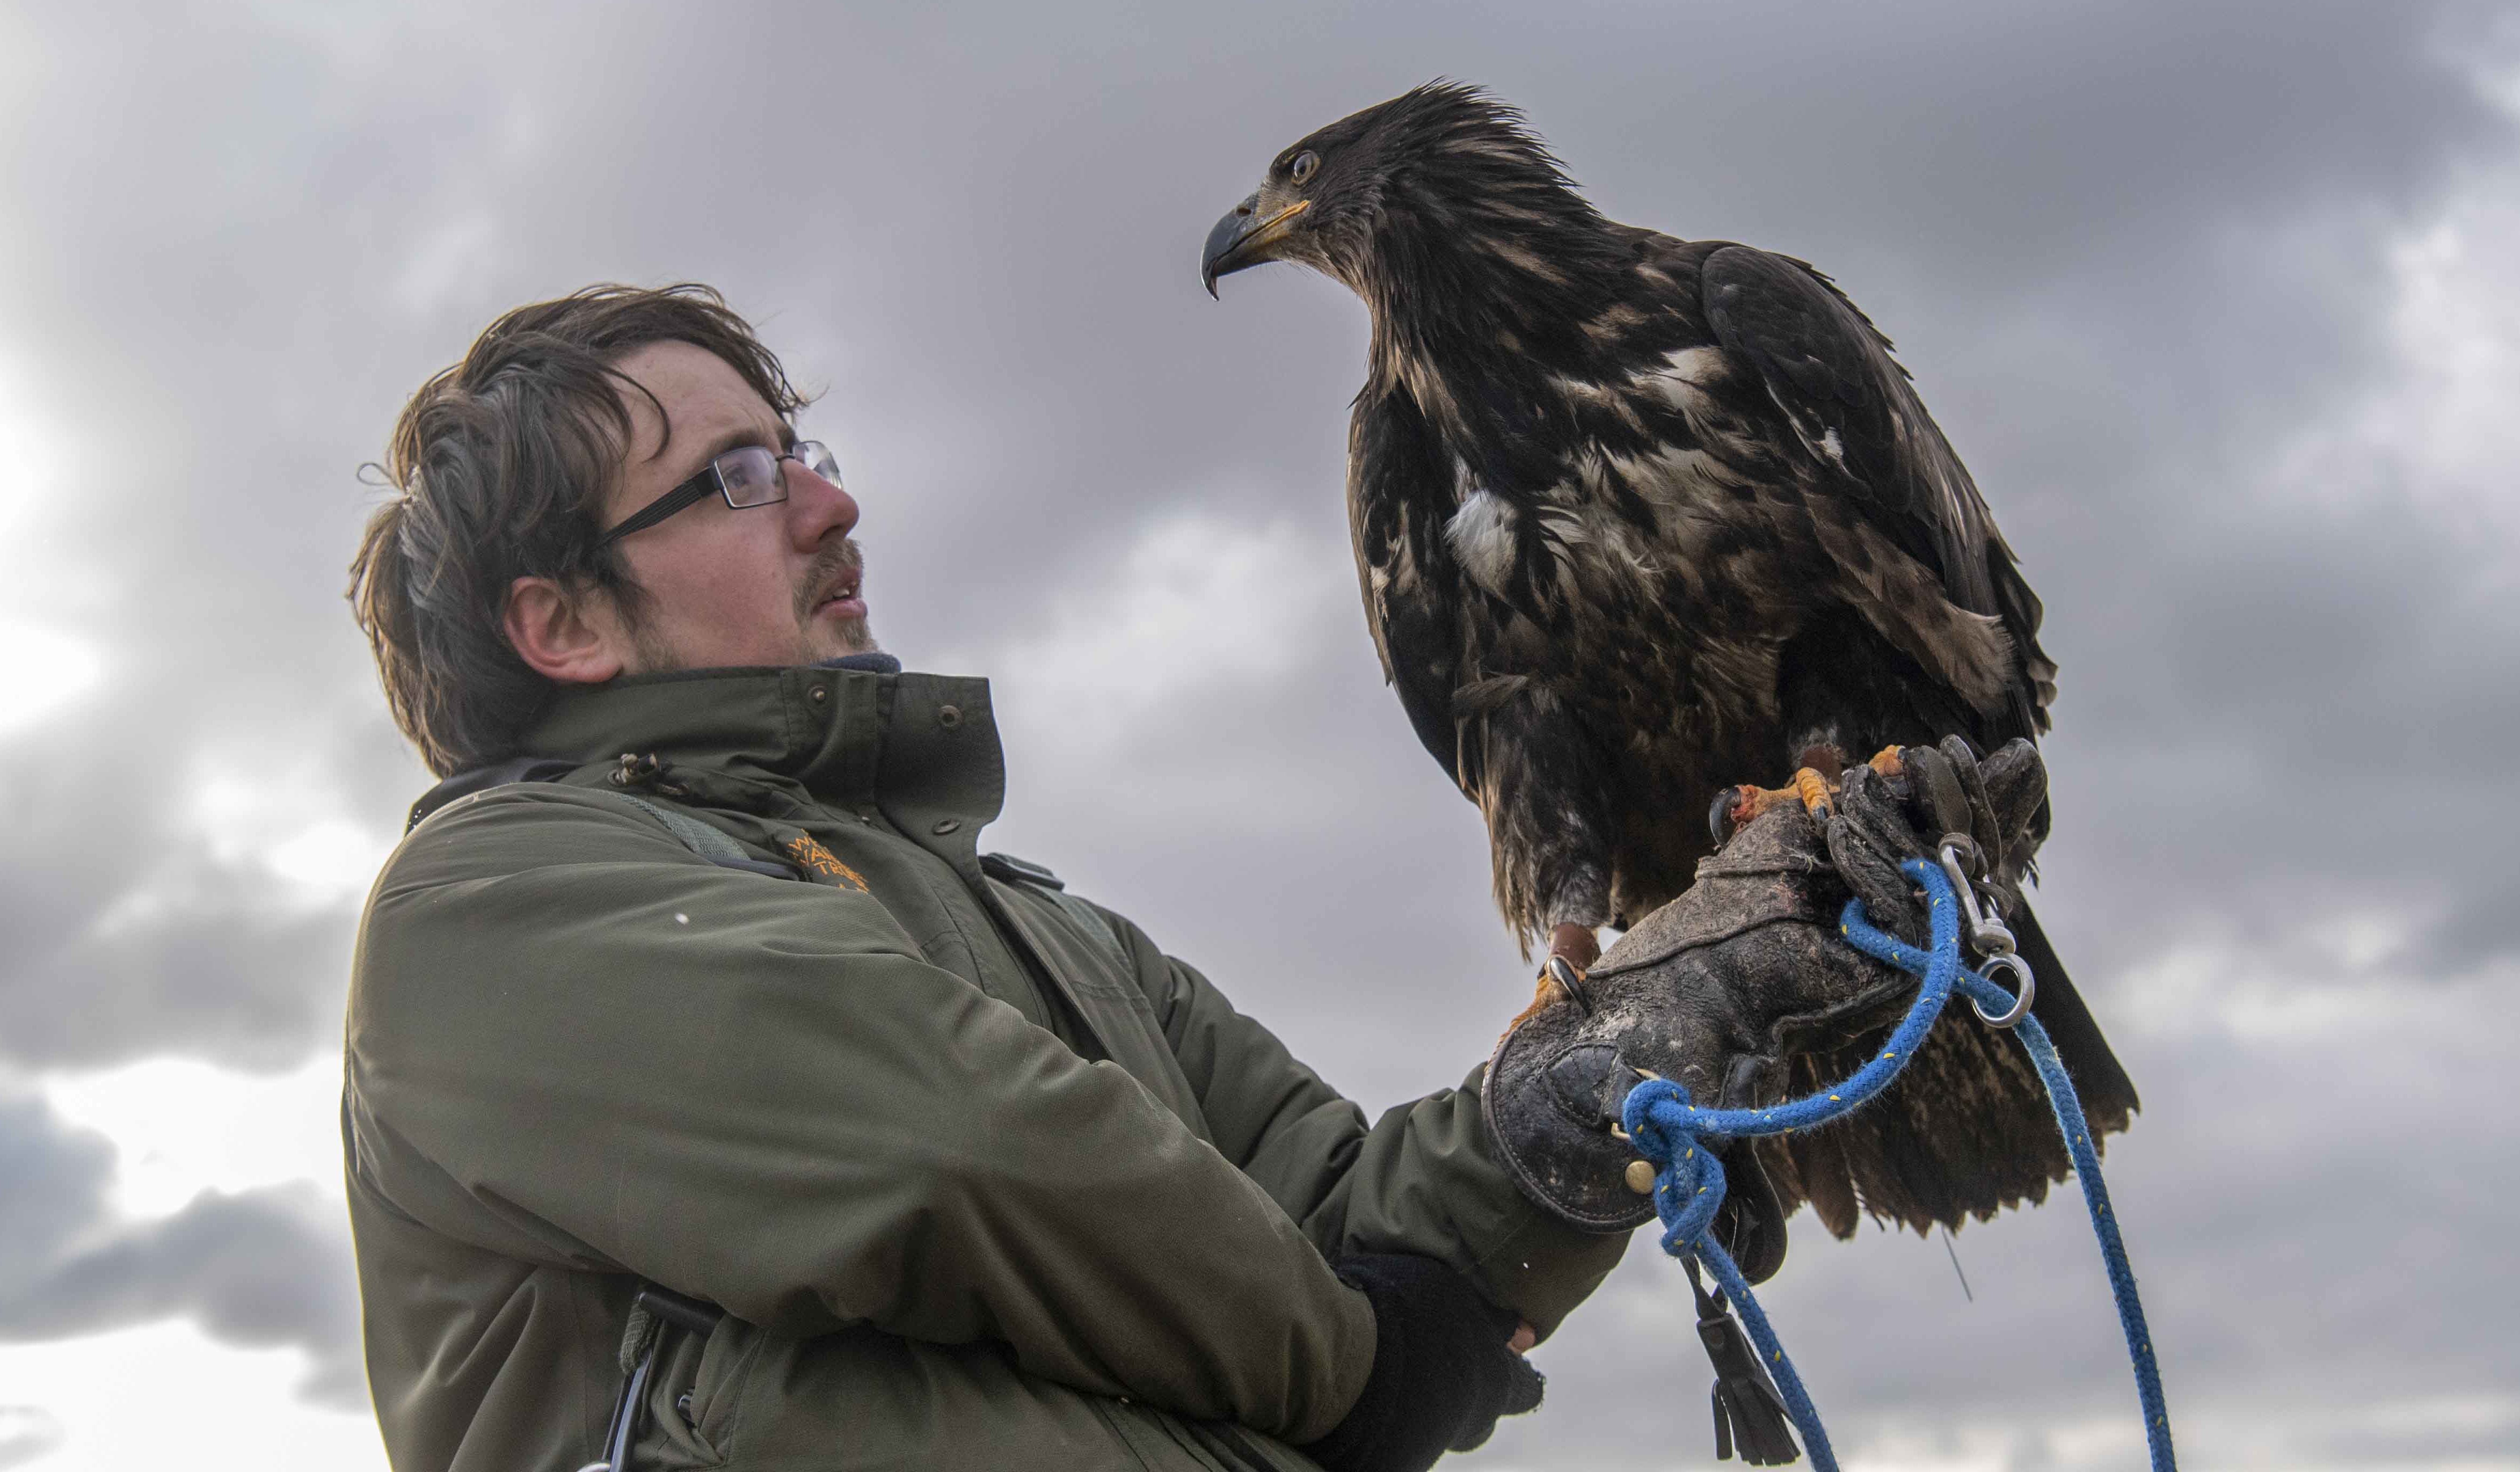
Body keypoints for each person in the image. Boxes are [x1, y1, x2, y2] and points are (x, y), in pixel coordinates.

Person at [342, 283, 1625, 1472]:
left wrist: (1644, 1058)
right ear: (563, 623)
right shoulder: (486, 899)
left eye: (801, 454)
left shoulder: (1057, 929)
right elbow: (954, 1152)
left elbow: (1344, 1217)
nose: (826, 504)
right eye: (735, 478)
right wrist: (1359, 1371)